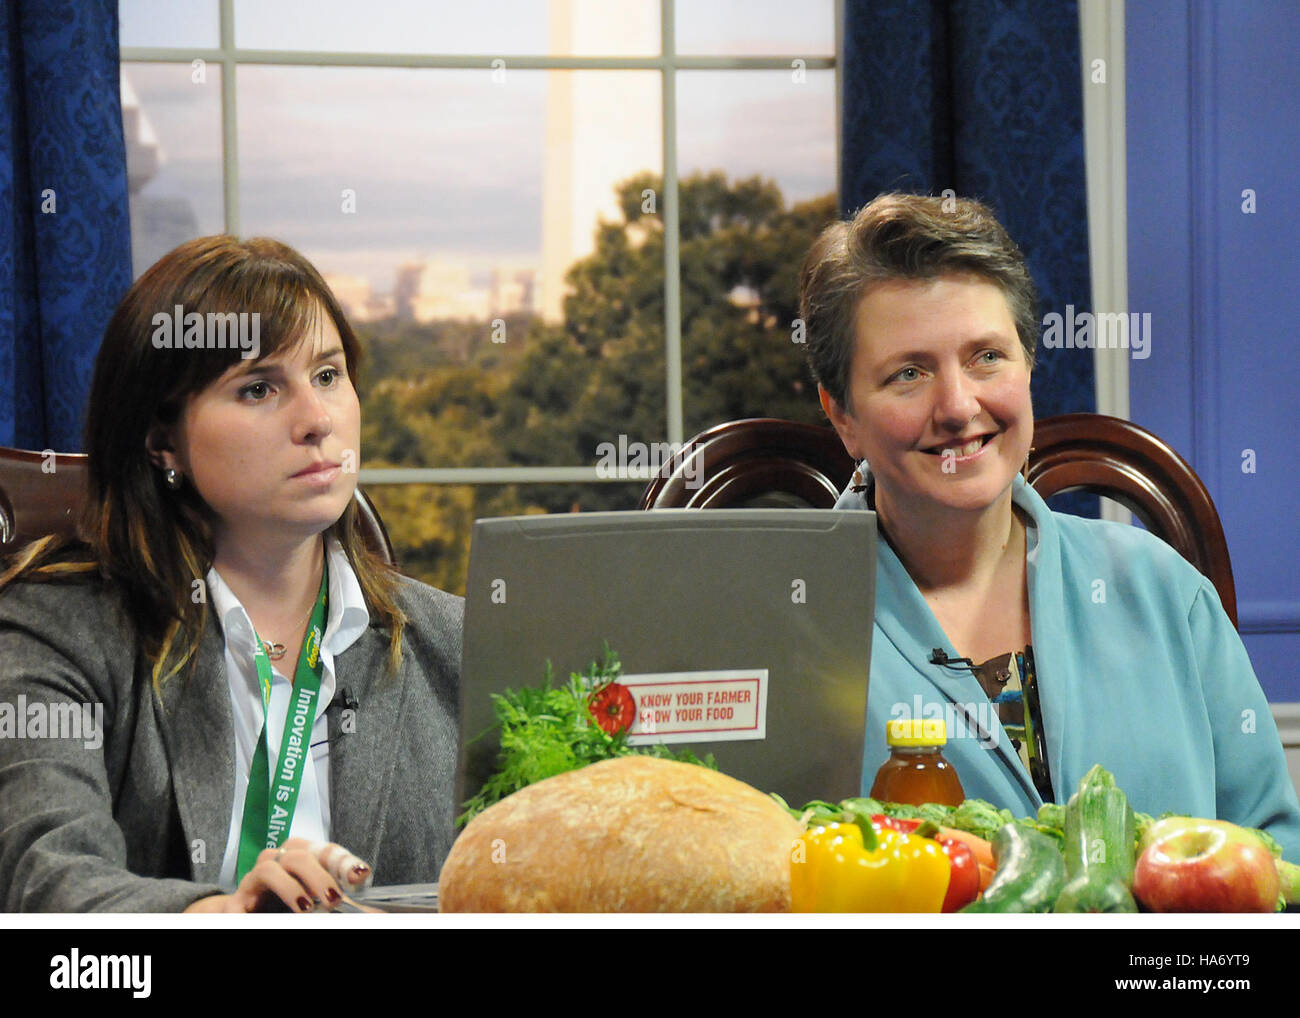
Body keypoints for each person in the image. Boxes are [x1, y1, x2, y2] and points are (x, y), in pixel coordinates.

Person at [799, 193, 1300, 862]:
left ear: (1029, 368)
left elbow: (1277, 854)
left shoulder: (1162, 590)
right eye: (908, 373)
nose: (957, 406)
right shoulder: (788, 625)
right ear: (843, 416)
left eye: (987, 357)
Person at [0, 236, 462, 911]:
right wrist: (216, 916)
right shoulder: (53, 634)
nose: (316, 420)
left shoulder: (455, 640)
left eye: (328, 375)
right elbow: (41, 879)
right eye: (257, 389)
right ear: (162, 441)